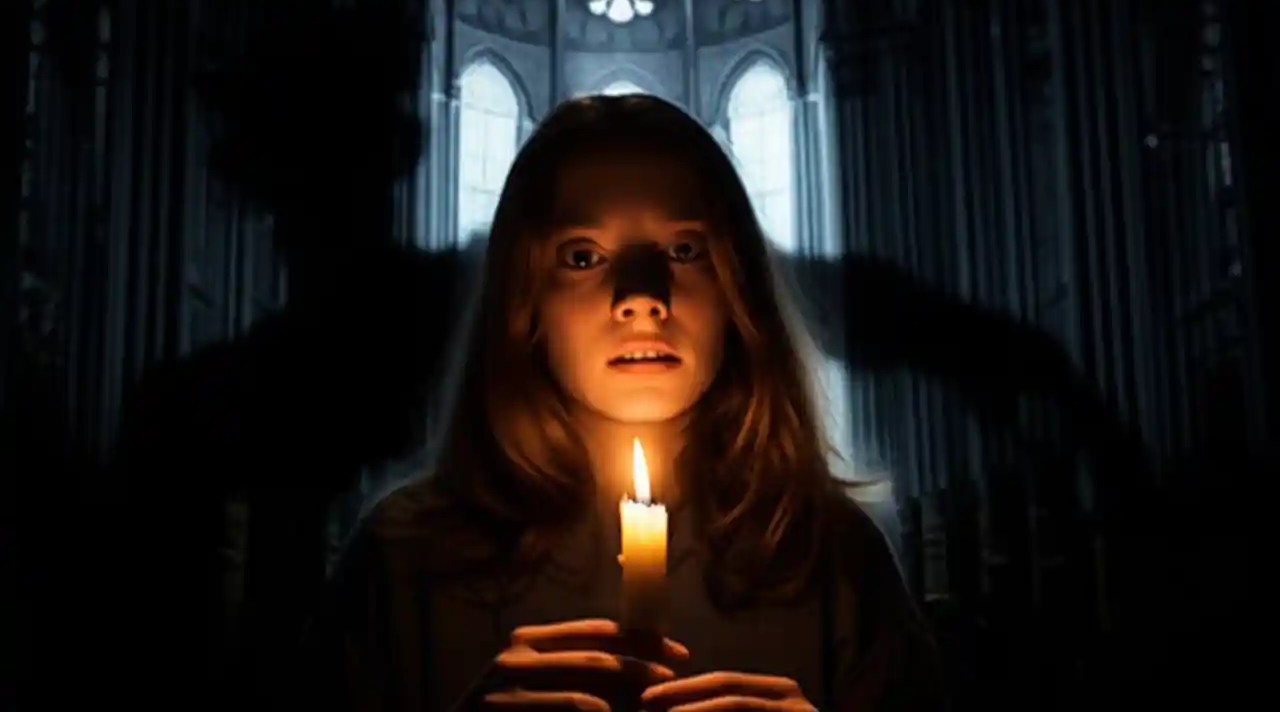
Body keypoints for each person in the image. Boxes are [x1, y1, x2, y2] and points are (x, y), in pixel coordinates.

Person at [297, 94, 945, 711]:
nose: (641, 296)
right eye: (583, 256)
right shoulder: (406, 558)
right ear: (525, 306)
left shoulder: (829, 554)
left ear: (737, 290)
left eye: (685, 250)